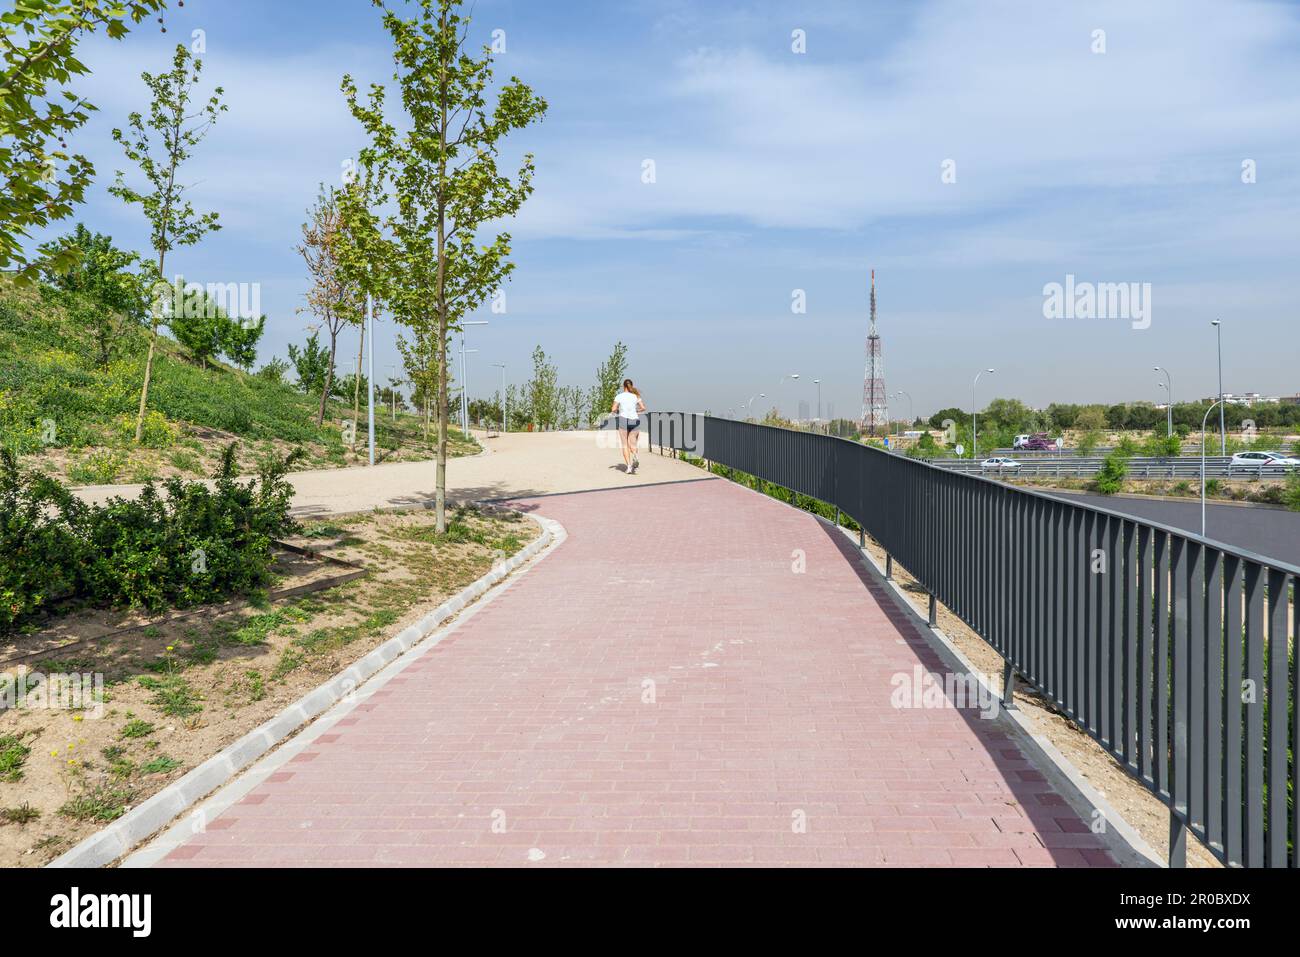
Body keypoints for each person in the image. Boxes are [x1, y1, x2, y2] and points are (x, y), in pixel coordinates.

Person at [611, 378, 646, 474]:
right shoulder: (636, 396)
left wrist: (618, 411)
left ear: (623, 386)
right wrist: (636, 411)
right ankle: (635, 455)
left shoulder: (619, 396)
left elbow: (613, 409)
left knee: (625, 444)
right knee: (633, 442)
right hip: (634, 420)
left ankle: (629, 467)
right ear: (631, 386)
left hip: (623, 419)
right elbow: (643, 408)